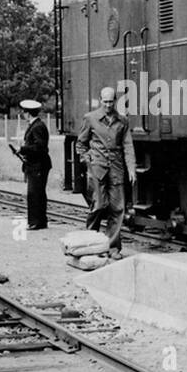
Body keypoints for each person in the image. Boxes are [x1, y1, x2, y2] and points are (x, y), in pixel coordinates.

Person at [76, 86, 137, 258]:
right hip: (97, 169)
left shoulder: (122, 121)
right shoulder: (90, 118)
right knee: (98, 206)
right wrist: (88, 159)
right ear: (100, 100)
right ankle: (89, 244)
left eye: (111, 101)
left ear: (115, 101)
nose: (108, 105)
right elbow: (80, 144)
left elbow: (127, 146)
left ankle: (113, 247)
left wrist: (131, 169)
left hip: (116, 169)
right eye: (105, 101)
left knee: (117, 208)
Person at [15, 99, 51, 230]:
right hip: (36, 164)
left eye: (24, 112)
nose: (23, 114)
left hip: (38, 165)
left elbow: (39, 147)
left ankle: (36, 222)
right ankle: (40, 221)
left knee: (34, 193)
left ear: (28, 113)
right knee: (38, 193)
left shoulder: (37, 127)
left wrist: (23, 149)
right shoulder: (36, 125)